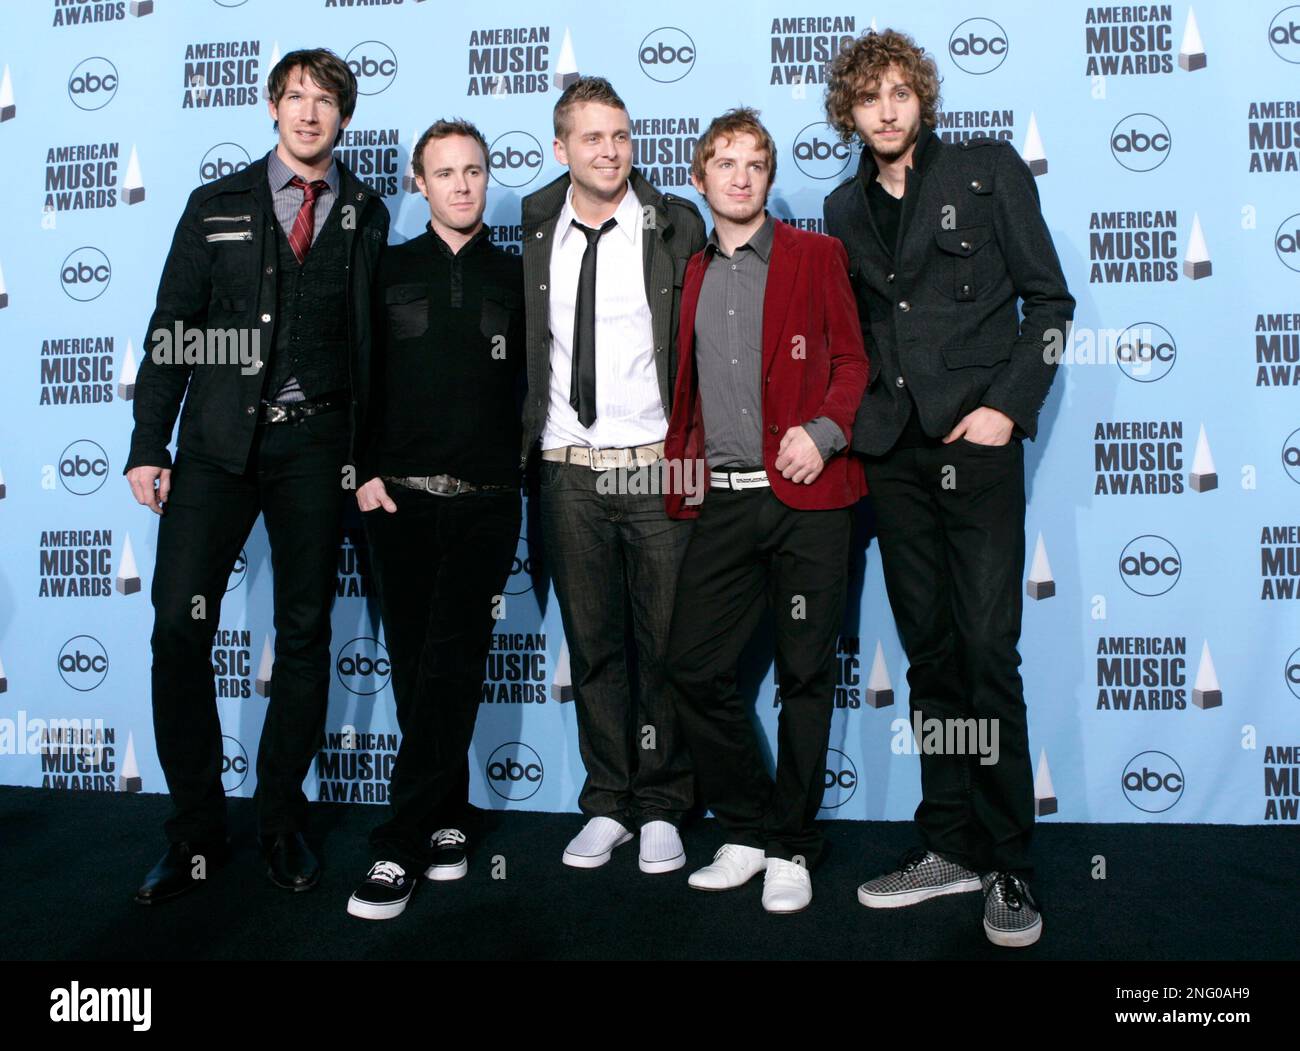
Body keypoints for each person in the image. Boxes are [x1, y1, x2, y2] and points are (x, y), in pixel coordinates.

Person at [822, 29, 1075, 946]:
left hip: (978, 445)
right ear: (848, 111)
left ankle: (1011, 862)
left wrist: (1009, 407)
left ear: (922, 98)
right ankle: (949, 843)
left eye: (900, 92)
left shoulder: (986, 168)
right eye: (868, 97)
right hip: (894, 456)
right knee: (930, 658)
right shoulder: (841, 206)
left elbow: (1052, 306)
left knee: (986, 653)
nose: (887, 110)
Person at [125, 48, 389, 904]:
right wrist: (147, 444)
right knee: (176, 627)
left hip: (317, 449)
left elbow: (373, 348)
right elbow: (173, 326)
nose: (310, 114)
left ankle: (281, 820)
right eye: (296, 98)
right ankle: (195, 831)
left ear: (344, 117)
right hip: (213, 450)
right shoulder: (217, 205)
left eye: (326, 102)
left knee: (305, 635)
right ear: (273, 107)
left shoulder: (366, 211)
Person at [663, 108, 867, 914]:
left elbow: (853, 359)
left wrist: (824, 430)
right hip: (723, 500)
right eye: (725, 163)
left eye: (755, 163)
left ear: (770, 178)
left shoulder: (818, 255)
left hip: (810, 502)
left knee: (805, 672)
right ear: (700, 178)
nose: (740, 176)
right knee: (693, 667)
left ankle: (793, 843)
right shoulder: (692, 272)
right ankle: (747, 825)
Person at [521, 76, 706, 874]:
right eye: (593, 138)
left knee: (664, 644)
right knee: (593, 646)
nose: (611, 150)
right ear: (561, 148)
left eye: (622, 136)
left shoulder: (673, 223)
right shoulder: (534, 225)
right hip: (567, 469)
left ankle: (664, 802)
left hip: (654, 464)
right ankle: (607, 799)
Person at [345, 119, 524, 920]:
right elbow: (356, 378)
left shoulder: (518, 277)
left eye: (474, 170)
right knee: (417, 666)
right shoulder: (383, 271)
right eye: (444, 172)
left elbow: (536, 388)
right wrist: (362, 474)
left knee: (452, 661)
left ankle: (397, 844)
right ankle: (448, 815)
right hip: (398, 501)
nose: (461, 184)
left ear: (487, 178)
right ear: (418, 183)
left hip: (487, 503)